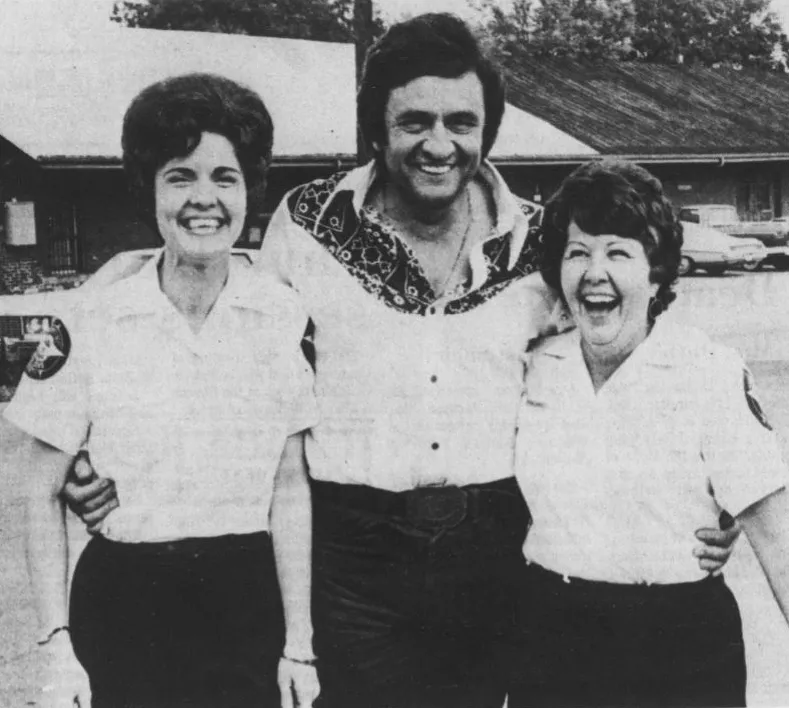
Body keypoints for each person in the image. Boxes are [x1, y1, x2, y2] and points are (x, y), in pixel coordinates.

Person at [61, 15, 738, 708]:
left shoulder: (541, 239)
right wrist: (97, 451)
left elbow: (635, 358)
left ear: (486, 130)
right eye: (414, 121)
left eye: (460, 122)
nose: (438, 144)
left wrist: (714, 492)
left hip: (496, 548)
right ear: (377, 130)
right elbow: (235, 336)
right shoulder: (310, 221)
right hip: (352, 554)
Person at [4, 73, 320, 708]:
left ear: (249, 191)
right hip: (125, 608)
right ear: (148, 188)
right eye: (180, 176)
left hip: (246, 606)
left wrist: (299, 645)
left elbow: (289, 487)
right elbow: (38, 489)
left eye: (224, 178)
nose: (204, 199)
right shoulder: (92, 318)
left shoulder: (282, 315)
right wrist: (56, 646)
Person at [508, 160, 789, 708]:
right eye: (577, 252)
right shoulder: (534, 366)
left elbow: (777, 538)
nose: (594, 272)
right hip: (550, 637)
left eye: (619, 252)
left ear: (657, 271)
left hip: (677, 644)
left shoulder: (705, 369)